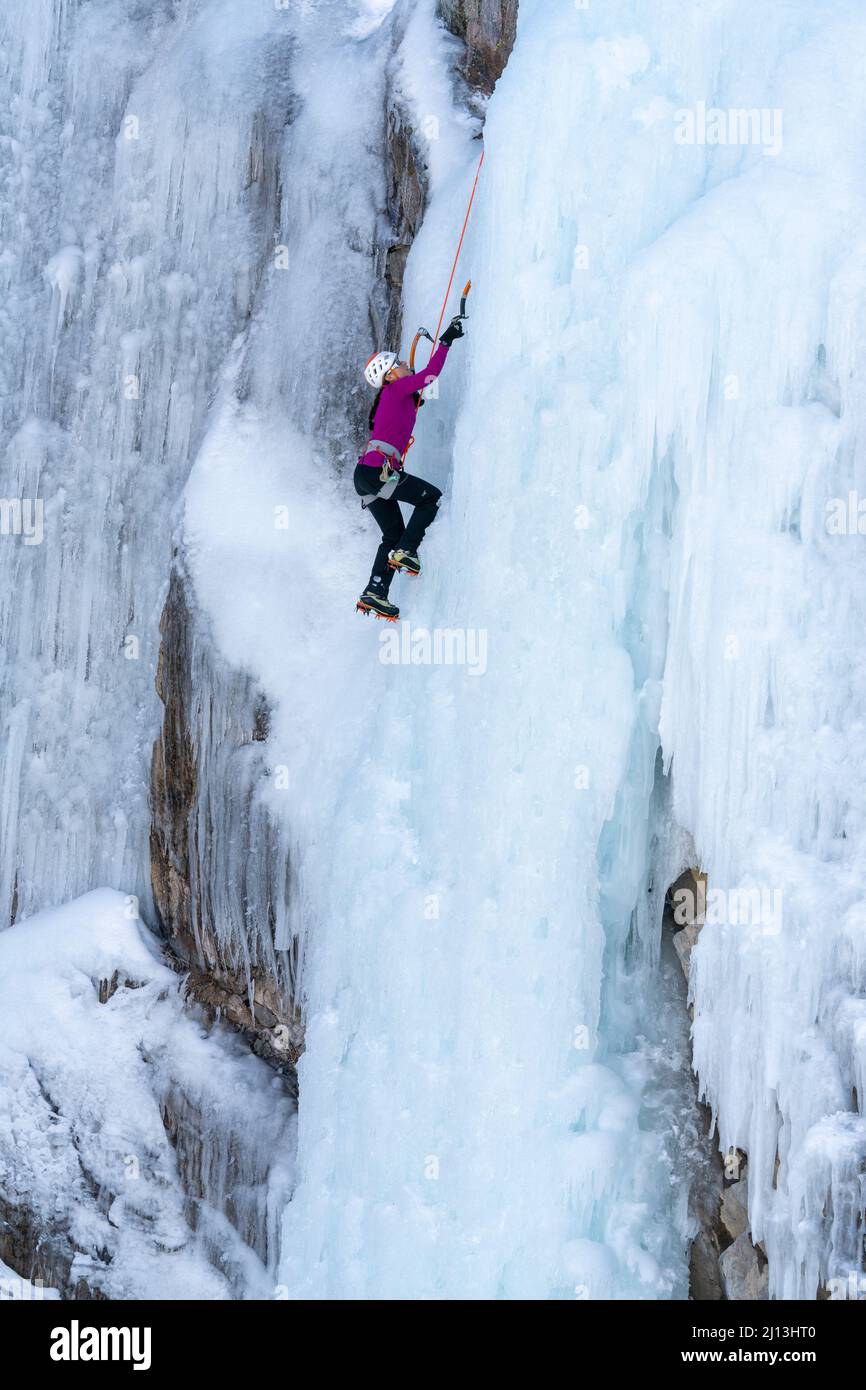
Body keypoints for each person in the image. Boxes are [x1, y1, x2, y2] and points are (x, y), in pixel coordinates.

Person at [355, 314, 465, 620]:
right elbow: (430, 374)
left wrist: (413, 396)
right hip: (379, 472)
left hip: (366, 476)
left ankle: (375, 591)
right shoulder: (395, 390)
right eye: (400, 363)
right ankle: (407, 552)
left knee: (392, 534)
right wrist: (446, 341)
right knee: (431, 498)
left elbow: (405, 410)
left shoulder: (392, 397)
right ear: (390, 375)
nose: (406, 364)